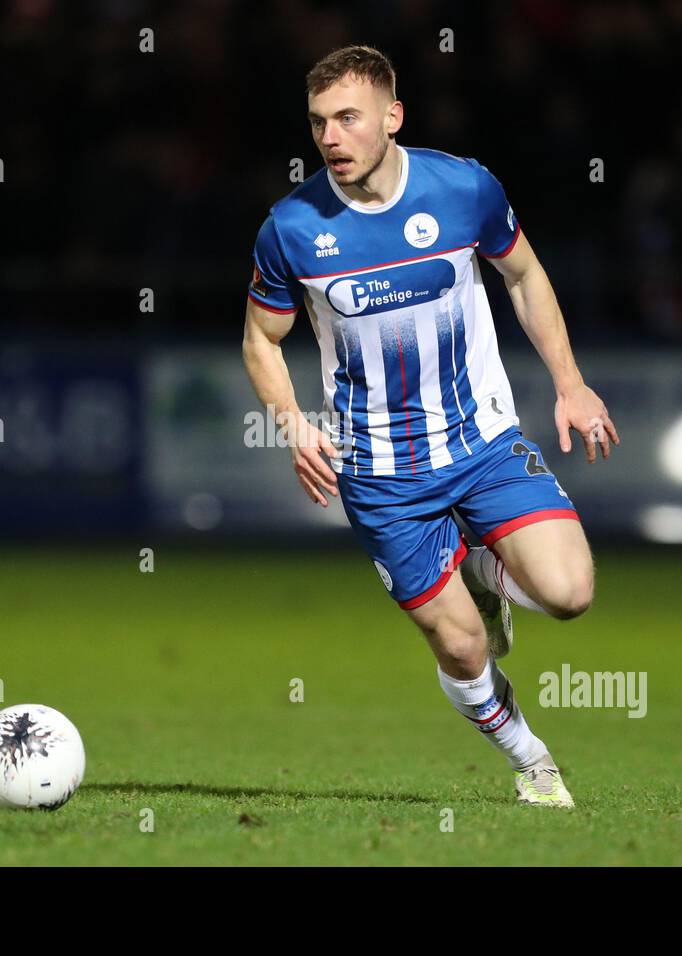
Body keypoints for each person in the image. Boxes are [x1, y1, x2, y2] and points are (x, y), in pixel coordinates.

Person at [241, 45, 619, 807]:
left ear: (392, 116)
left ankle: (482, 571)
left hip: (483, 441)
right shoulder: (290, 229)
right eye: (318, 123)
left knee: (572, 592)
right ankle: (534, 762)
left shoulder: (463, 188)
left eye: (347, 118)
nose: (331, 138)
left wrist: (570, 383)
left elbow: (524, 275)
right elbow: (260, 339)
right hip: (380, 473)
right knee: (462, 644)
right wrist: (293, 423)